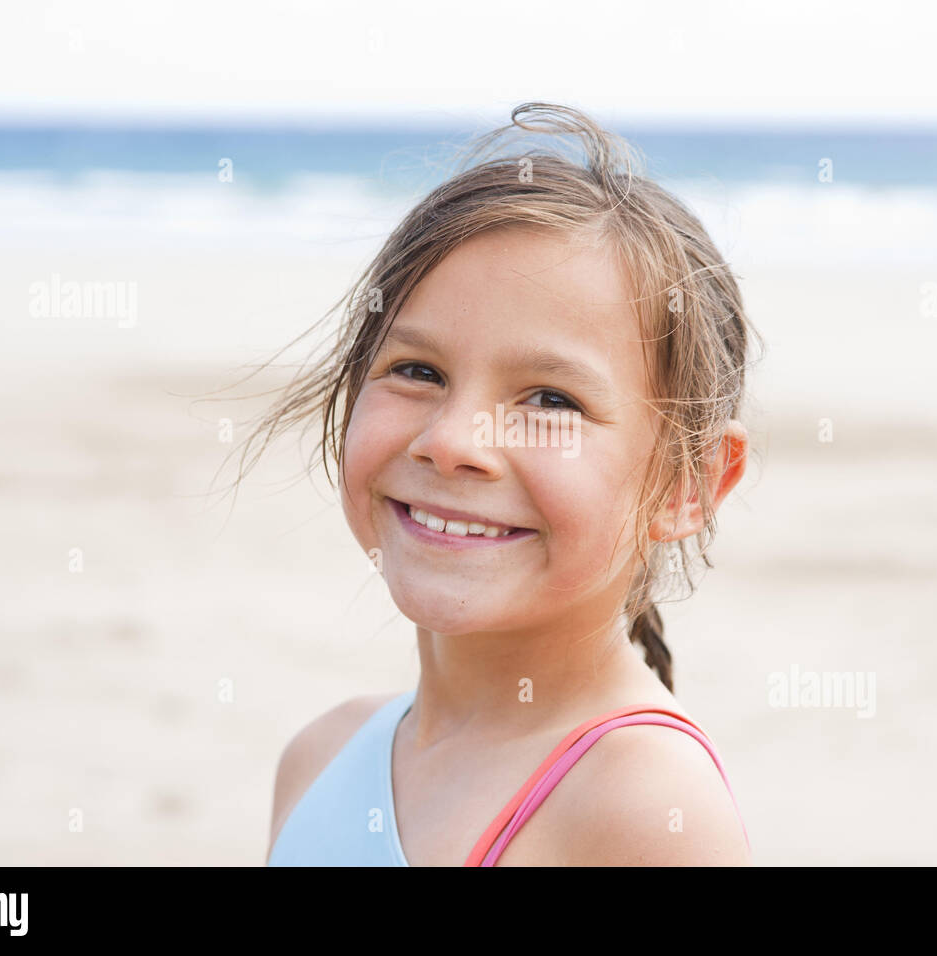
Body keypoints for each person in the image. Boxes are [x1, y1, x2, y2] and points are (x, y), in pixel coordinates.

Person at [251, 102, 757, 865]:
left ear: (687, 483)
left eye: (552, 401)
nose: (453, 443)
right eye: (417, 372)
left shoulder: (640, 806)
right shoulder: (320, 755)